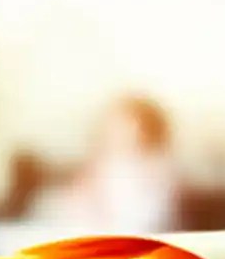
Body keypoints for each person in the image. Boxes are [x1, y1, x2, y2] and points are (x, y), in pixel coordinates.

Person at [63, 95, 181, 234]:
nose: (116, 133)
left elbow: (144, 220)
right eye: (114, 126)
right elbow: (75, 206)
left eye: (124, 126)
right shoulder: (106, 163)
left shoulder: (157, 170)